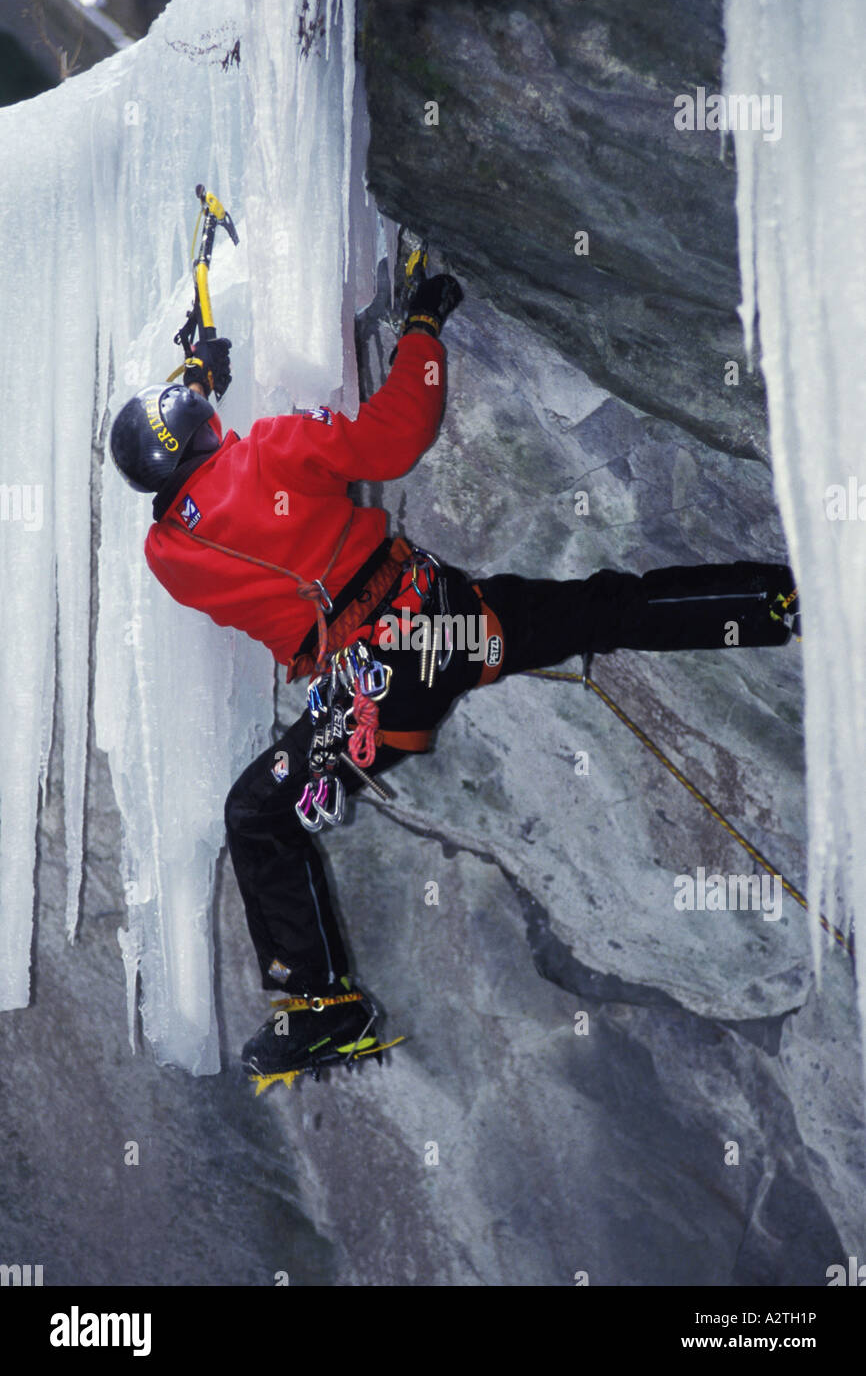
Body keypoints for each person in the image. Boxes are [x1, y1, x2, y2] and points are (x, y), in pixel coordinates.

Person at [110, 271, 799, 1086]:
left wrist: (193, 386)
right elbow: (398, 436)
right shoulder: (271, 450)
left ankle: (323, 1006)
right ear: (202, 431)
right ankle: (775, 600)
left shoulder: (168, 559)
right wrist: (423, 327)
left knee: (260, 813)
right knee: (600, 610)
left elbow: (196, 498)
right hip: (443, 618)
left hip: (374, 691)